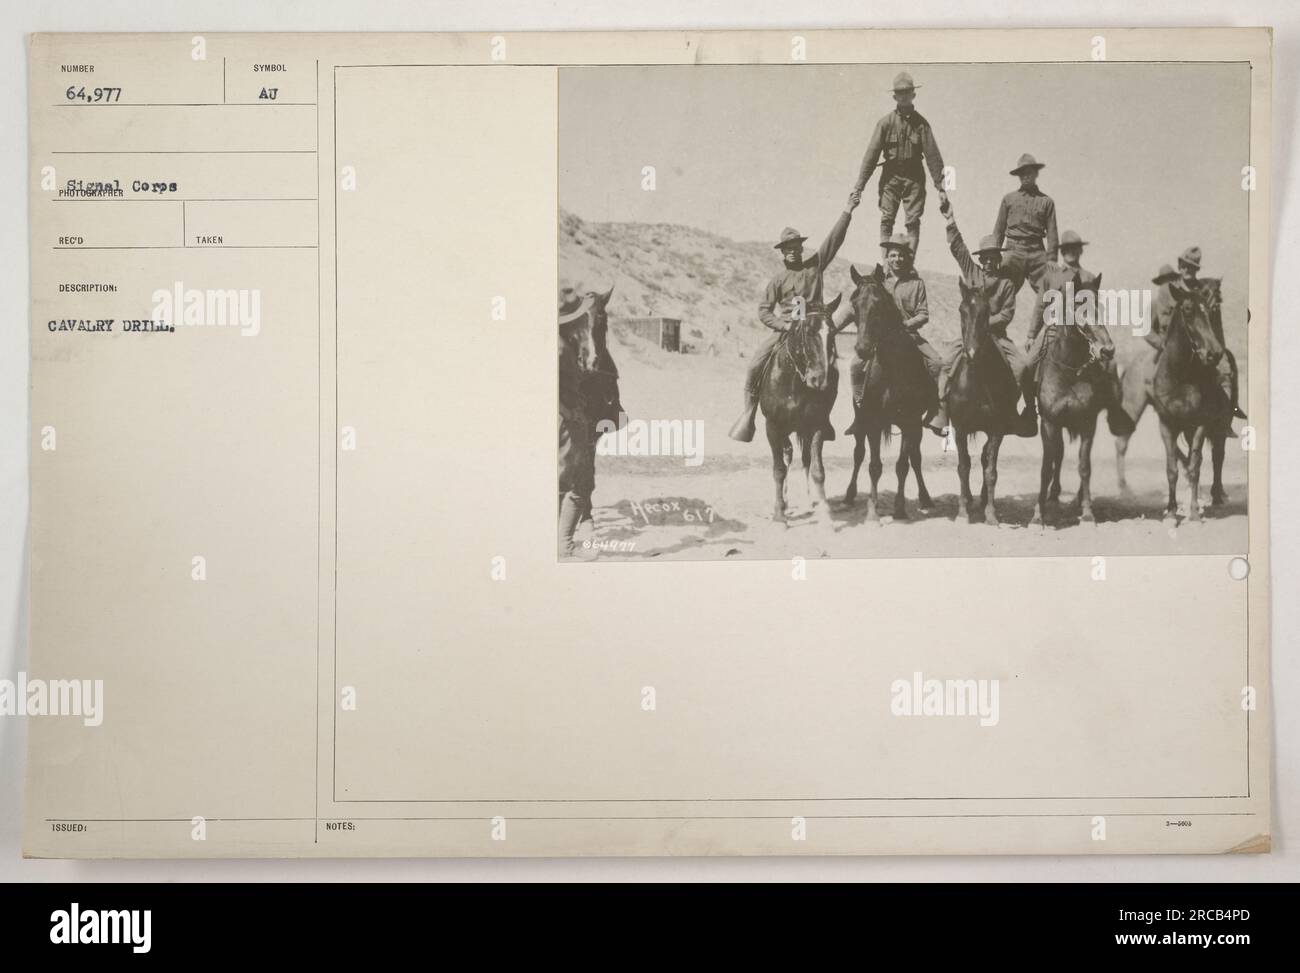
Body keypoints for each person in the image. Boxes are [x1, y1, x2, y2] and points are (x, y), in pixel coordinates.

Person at [728, 192, 860, 443]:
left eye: (795, 247)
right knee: (755, 365)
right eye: (787, 249)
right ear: (782, 252)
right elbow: (764, 310)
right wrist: (783, 323)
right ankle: (748, 415)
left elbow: (834, 240)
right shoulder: (777, 280)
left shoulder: (815, 266)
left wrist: (848, 210)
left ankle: (825, 417)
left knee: (832, 369)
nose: (792, 252)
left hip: (813, 330)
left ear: (801, 248)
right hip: (786, 331)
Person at [934, 196, 1037, 437]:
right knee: (944, 364)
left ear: (999, 259)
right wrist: (950, 220)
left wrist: (985, 325)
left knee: (1021, 368)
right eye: (986, 258)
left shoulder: (1007, 284)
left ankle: (1024, 413)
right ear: (980, 259)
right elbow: (958, 249)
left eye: (994, 257)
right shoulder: (971, 273)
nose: (989, 261)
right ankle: (941, 412)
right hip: (970, 336)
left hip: (997, 337)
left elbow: (1007, 313)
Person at [1024, 230, 1134, 435]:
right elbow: (1041, 306)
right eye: (1067, 250)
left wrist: (1099, 334)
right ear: (1062, 252)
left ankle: (1114, 413)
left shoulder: (1089, 277)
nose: (1071, 253)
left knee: (1109, 366)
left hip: (1086, 335)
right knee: (1027, 365)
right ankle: (1030, 411)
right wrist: (1031, 334)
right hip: (1054, 330)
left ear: (1080, 251)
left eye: (1074, 249)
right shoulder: (1052, 276)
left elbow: (1094, 311)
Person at [844, 232, 944, 436]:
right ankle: (860, 414)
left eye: (900, 255)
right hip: (882, 340)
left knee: (937, 363)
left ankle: (936, 413)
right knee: (855, 365)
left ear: (907, 257)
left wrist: (907, 324)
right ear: (887, 258)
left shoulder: (917, 284)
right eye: (892, 255)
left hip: (910, 336)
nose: (896, 259)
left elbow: (923, 314)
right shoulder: (880, 282)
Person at [850, 71, 947, 258]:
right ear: (894, 96)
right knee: (886, 219)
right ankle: (887, 265)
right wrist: (858, 187)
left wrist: (943, 188)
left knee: (913, 220)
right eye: (899, 93)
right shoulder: (884, 123)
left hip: (914, 177)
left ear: (913, 95)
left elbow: (935, 157)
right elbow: (870, 157)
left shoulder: (922, 124)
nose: (903, 96)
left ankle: (908, 263)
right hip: (890, 177)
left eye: (907, 92)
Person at [993, 153, 1059, 300]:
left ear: (1036, 174)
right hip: (1013, 251)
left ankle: (1055, 323)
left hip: (1037, 253)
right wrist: (994, 255)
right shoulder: (1009, 199)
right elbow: (999, 230)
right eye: (1022, 173)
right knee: (999, 294)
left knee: (1053, 294)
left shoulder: (1046, 202)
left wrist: (1052, 259)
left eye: (1028, 172)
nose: (1025, 176)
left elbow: (1052, 233)